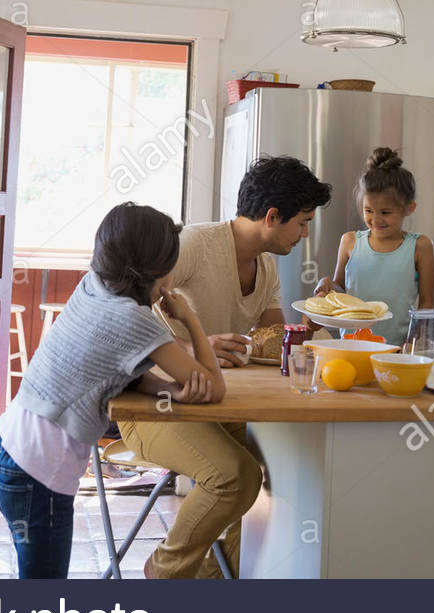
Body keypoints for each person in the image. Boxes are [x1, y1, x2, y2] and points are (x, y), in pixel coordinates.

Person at [117, 155, 332, 578]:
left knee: (273, 470)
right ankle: (164, 572)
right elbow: (125, 308)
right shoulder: (197, 244)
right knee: (237, 476)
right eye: (303, 222)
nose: (305, 234)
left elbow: (273, 343)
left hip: (215, 402)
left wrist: (318, 319)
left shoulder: (266, 266)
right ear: (272, 216)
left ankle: (215, 580)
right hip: (153, 401)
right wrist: (193, 348)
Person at [0, 203, 225, 578]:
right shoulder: (135, 321)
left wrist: (166, 389)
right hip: (39, 479)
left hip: (9, 455)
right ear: (158, 270)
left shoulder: (93, 286)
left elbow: (113, 369)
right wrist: (190, 319)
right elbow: (213, 387)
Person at [314, 147, 434, 346]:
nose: (375, 219)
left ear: (409, 208)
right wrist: (327, 285)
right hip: (351, 345)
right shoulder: (350, 241)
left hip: (397, 349)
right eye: (368, 210)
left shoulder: (420, 246)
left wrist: (414, 340)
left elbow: (427, 303)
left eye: (385, 212)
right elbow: (340, 288)